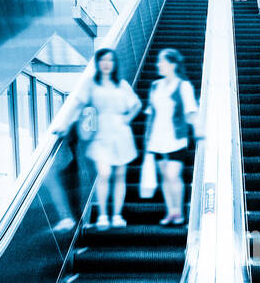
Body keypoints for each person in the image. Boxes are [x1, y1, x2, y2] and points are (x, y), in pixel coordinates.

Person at [49, 48, 141, 229]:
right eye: (103, 60)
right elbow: (76, 104)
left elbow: (136, 104)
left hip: (121, 133)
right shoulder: (90, 84)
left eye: (110, 60)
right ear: (98, 63)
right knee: (104, 173)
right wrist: (65, 124)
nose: (107, 64)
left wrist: (127, 118)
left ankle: (116, 215)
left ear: (114, 64)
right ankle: (104, 216)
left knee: (120, 175)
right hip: (100, 134)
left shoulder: (121, 84)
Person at [143, 48, 197, 225]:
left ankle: (178, 211)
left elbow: (191, 111)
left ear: (173, 64)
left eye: (162, 61)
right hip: (157, 138)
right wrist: (147, 137)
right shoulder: (155, 86)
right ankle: (171, 212)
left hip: (176, 137)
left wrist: (199, 131)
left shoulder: (183, 85)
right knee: (165, 175)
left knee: (173, 174)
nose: (158, 64)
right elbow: (151, 113)